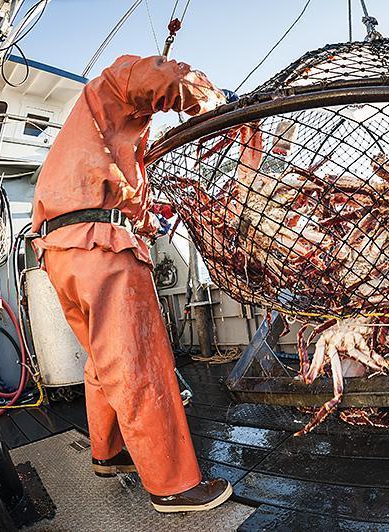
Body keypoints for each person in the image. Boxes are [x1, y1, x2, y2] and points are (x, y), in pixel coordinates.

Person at [31, 55, 233, 513]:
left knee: (104, 362)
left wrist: (147, 219)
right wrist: (214, 103)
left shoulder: (98, 140)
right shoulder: (115, 82)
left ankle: (108, 452)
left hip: (60, 251)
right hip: (101, 248)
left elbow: (129, 197)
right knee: (139, 361)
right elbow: (167, 78)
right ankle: (173, 485)